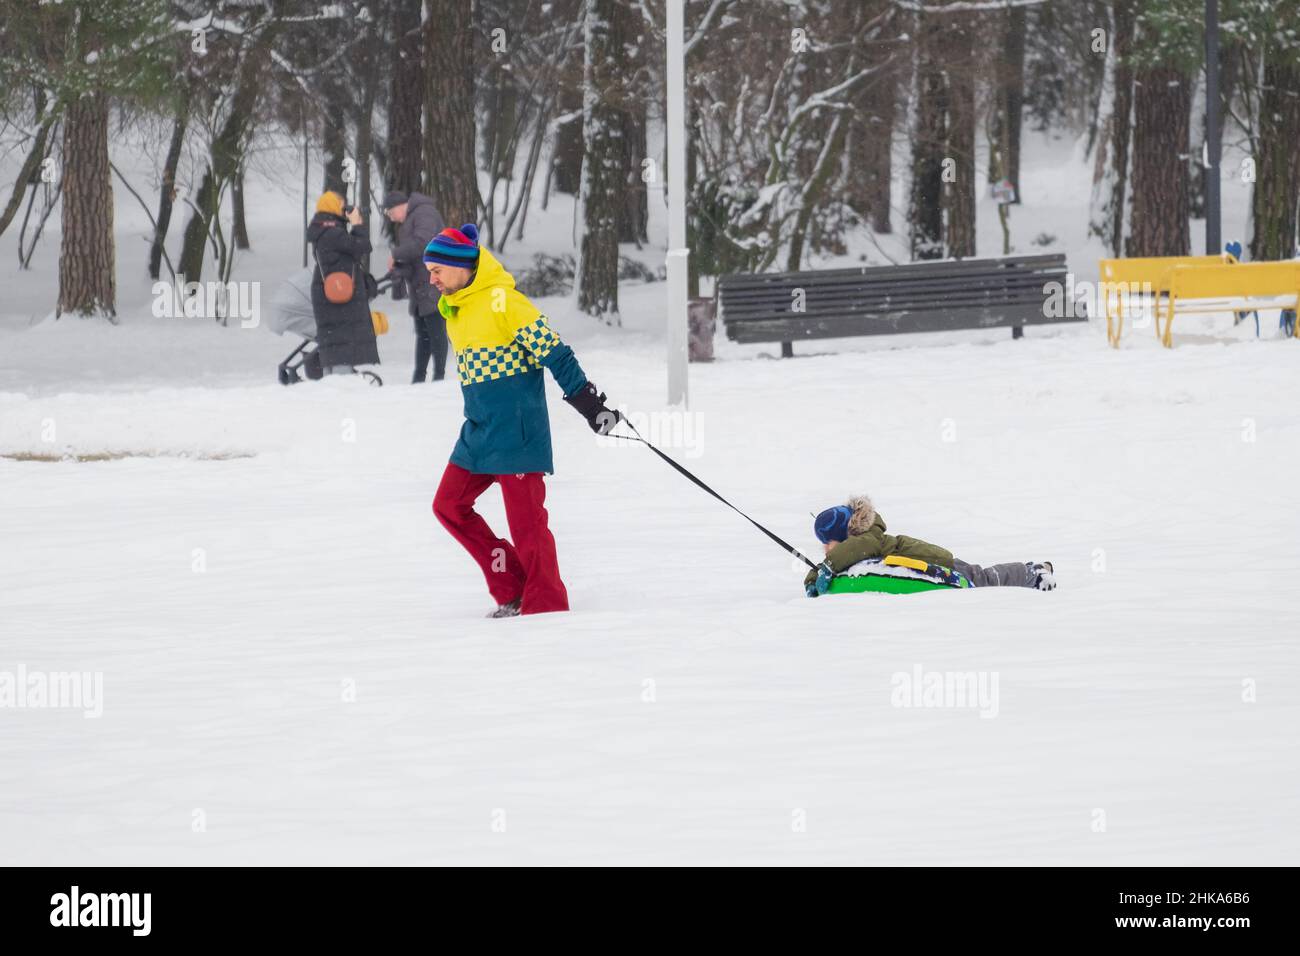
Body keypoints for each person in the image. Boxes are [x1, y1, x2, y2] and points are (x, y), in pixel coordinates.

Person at [425, 224, 618, 617]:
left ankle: (545, 607)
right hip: (478, 432)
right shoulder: (457, 311)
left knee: (528, 529)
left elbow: (556, 354)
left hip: (518, 434)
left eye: (437, 270)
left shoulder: (504, 302)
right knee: (449, 505)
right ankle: (513, 586)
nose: (431, 279)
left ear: (461, 267)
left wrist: (590, 405)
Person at [805, 495, 1055, 594]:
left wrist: (828, 567)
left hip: (938, 564)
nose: (827, 551)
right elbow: (833, 562)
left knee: (984, 579)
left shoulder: (869, 539)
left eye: (831, 544)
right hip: (927, 567)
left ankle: (1032, 572)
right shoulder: (847, 552)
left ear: (848, 534)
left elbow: (853, 551)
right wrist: (812, 578)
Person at [306, 191, 379, 373]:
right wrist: (357, 223)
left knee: (337, 341)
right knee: (342, 342)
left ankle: (335, 378)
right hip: (339, 299)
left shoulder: (324, 230)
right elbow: (362, 246)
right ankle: (341, 382)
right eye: (341, 206)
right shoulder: (331, 233)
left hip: (331, 296)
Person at [383, 190, 448, 383]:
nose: (391, 218)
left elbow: (423, 244)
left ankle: (439, 376)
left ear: (400, 205)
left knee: (436, 332)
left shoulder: (424, 213)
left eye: (390, 212)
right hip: (421, 284)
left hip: (434, 281)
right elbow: (416, 258)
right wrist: (400, 270)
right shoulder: (411, 220)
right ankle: (419, 377)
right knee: (423, 333)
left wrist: (396, 254)